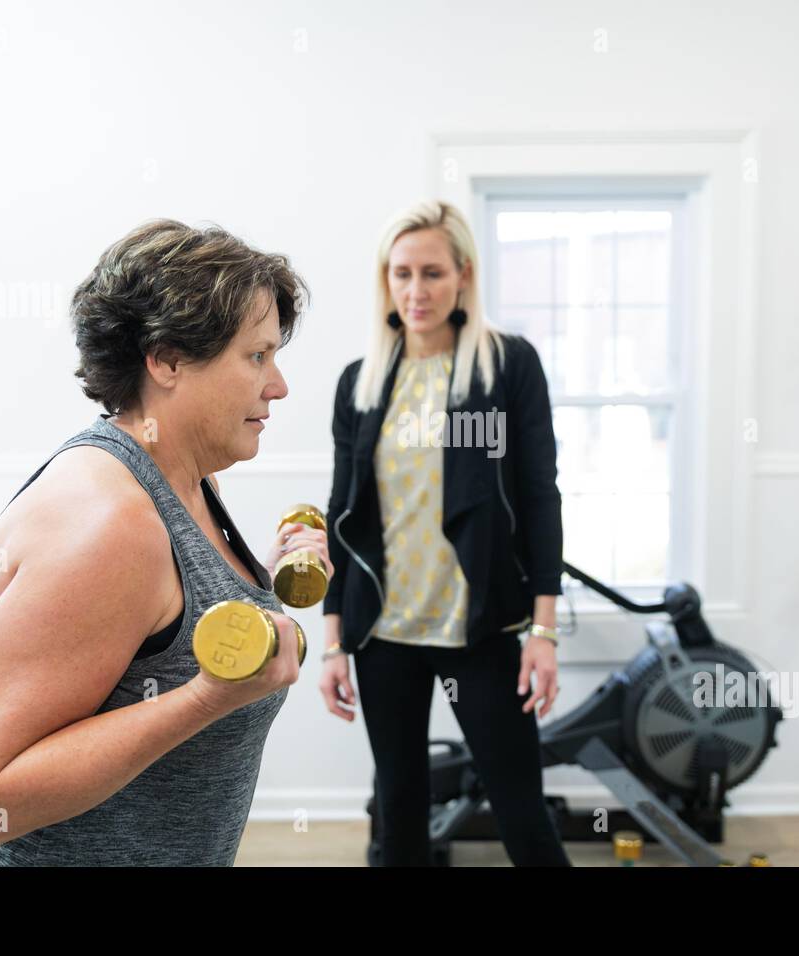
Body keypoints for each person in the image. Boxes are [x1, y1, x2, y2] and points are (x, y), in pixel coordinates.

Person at [0, 219, 329, 865]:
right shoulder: (109, 522)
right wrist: (207, 696)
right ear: (167, 360)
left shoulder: (177, 477)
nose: (279, 385)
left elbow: (149, 629)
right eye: (258, 356)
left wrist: (248, 586)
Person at [317, 199, 570, 866]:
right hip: (385, 637)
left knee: (522, 814)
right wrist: (333, 640)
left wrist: (542, 632)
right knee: (397, 816)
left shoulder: (506, 367)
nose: (415, 291)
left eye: (431, 273)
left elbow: (540, 499)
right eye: (401, 274)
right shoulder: (362, 382)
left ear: (463, 274)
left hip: (481, 633)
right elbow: (343, 510)